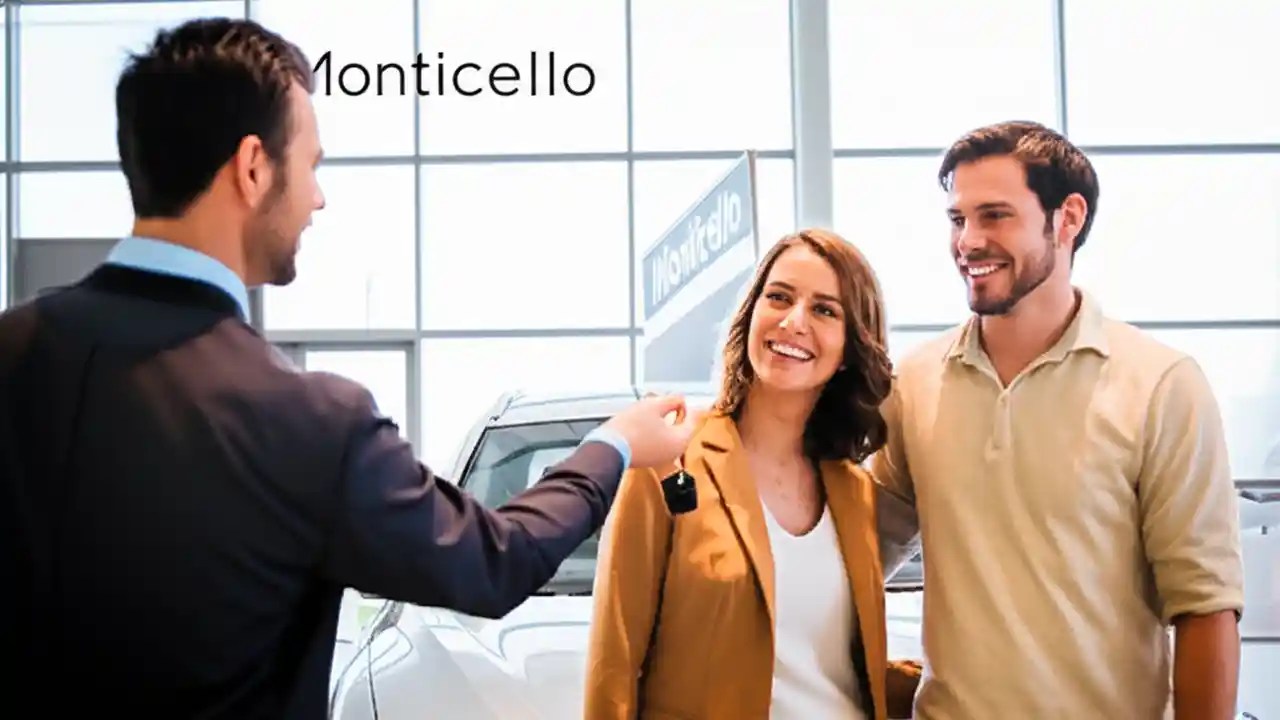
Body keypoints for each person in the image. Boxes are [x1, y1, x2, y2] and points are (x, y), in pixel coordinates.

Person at [0, 17, 703, 719]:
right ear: (253, 168)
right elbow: (495, 561)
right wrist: (614, 445)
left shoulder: (13, 353)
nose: (318, 197)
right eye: (311, 165)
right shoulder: (311, 424)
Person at [871, 120, 1245, 719]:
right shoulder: (913, 383)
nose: (968, 241)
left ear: (1067, 218)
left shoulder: (1160, 384)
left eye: (994, 215)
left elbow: (1205, 606)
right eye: (957, 219)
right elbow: (852, 552)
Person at [584, 229, 921, 720]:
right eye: (779, 297)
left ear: (851, 347)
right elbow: (613, 663)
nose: (793, 322)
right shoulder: (671, 460)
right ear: (751, 313)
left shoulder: (855, 492)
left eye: (825, 310)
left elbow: (826, 665)